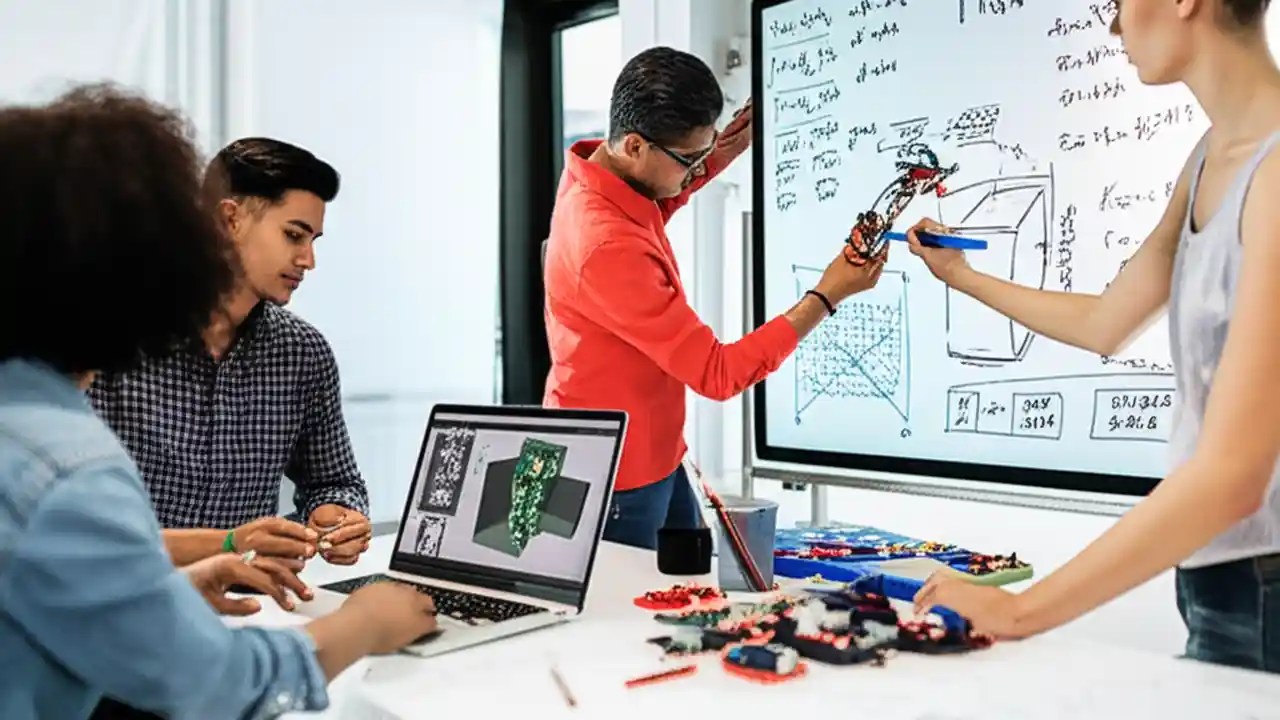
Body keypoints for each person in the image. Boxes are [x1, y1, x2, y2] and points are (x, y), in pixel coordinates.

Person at [0, 84, 436, 720]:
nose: (308, 260)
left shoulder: (302, 353)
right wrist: (365, 624)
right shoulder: (66, 466)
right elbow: (204, 679)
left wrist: (180, 584)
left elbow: (68, 582)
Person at [909, 0, 1280, 673]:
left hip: (1265, 582)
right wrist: (961, 276)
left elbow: (1234, 476)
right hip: (1217, 574)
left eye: (1118, 2)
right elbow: (1106, 322)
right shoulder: (1208, 158)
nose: (1114, 25)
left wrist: (1021, 611)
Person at [542, 46, 887, 550]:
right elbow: (717, 373)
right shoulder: (607, 245)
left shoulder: (594, 175)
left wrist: (727, 146)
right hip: (616, 479)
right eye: (690, 158)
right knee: (636, 600)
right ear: (635, 145)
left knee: (693, 579)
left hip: (653, 452)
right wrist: (828, 294)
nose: (695, 169)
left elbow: (660, 199)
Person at [88, 137, 373, 570]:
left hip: (250, 601)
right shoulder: (110, 335)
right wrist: (228, 545)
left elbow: (335, 481)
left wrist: (336, 516)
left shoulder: (303, 354)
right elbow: (63, 523)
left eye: (313, 240)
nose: (308, 259)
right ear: (229, 219)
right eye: (293, 235)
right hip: (120, 596)